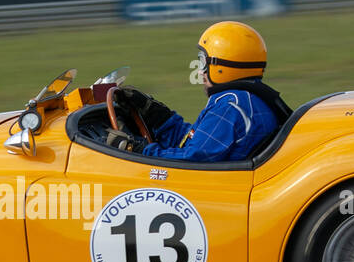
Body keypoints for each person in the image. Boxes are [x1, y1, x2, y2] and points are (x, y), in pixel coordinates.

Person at [109, 20, 280, 162]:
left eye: (203, 62)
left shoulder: (229, 107)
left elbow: (191, 160)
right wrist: (159, 117)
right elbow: (196, 140)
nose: (200, 71)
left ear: (222, 66)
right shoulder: (252, 99)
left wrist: (135, 150)